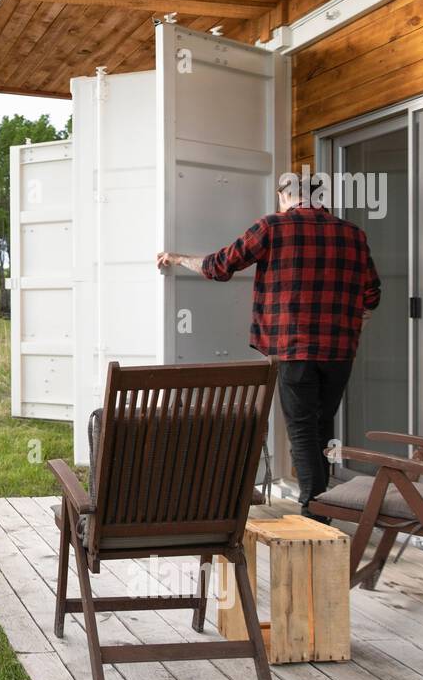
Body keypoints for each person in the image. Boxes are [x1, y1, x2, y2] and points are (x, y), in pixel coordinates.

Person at [156, 179, 381, 522]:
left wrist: (177, 258)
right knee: (321, 425)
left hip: (293, 347)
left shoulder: (273, 226)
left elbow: (219, 266)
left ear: (284, 196)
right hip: (339, 351)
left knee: (303, 428)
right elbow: (372, 296)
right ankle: (322, 507)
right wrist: (352, 326)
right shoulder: (353, 234)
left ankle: (314, 515)